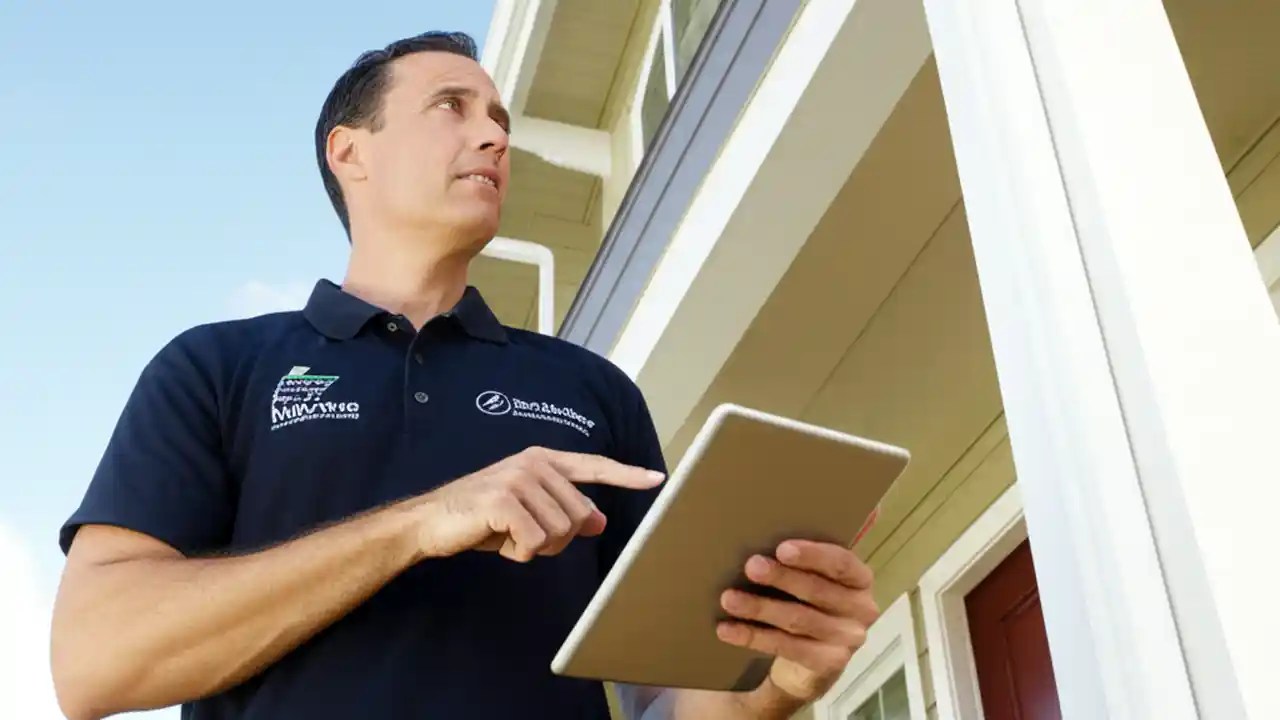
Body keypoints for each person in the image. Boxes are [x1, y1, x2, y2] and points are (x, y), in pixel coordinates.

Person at [50, 31, 880, 720]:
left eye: (499, 120)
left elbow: (672, 701)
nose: (495, 138)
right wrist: (421, 524)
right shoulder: (217, 368)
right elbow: (93, 664)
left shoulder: (593, 392)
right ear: (350, 152)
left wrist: (777, 682)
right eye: (452, 107)